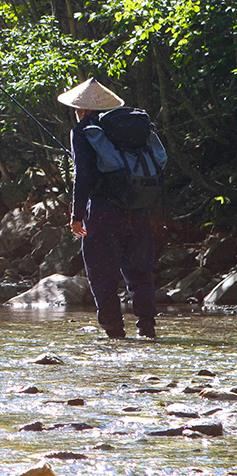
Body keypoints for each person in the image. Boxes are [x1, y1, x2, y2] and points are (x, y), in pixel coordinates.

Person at [57, 78, 160, 339]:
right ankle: (147, 328)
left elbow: (83, 176)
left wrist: (76, 215)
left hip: (103, 212)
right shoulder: (132, 130)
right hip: (139, 208)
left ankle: (115, 333)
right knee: (140, 271)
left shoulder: (83, 131)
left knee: (102, 273)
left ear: (80, 108)